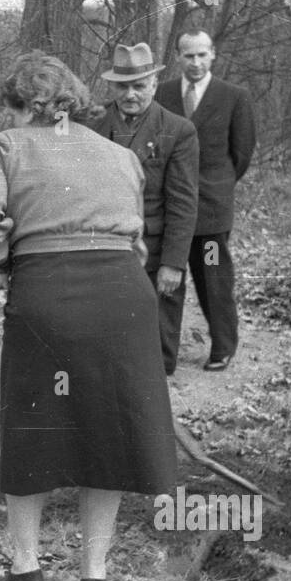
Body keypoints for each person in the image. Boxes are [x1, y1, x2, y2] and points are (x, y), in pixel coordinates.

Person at [0, 51, 177, 581]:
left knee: (32, 430)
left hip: (46, 297)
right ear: (74, 99)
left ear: (20, 103)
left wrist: (7, 259)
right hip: (124, 299)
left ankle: (27, 575)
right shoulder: (122, 154)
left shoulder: (6, 147)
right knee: (106, 433)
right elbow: (136, 241)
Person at [88, 43, 200, 376]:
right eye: (123, 86)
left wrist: (173, 264)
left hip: (153, 250)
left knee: (157, 346)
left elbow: (183, 203)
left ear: (154, 84)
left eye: (139, 86)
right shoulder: (92, 124)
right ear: (112, 86)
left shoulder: (178, 130)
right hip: (104, 247)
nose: (131, 94)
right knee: (105, 337)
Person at [155, 30, 257, 371]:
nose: (195, 62)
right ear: (178, 57)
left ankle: (222, 347)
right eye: (188, 56)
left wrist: (217, 186)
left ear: (213, 54)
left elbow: (241, 154)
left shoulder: (234, 96)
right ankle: (162, 355)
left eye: (202, 55)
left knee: (214, 279)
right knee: (167, 280)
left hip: (211, 213)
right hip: (169, 210)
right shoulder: (162, 94)